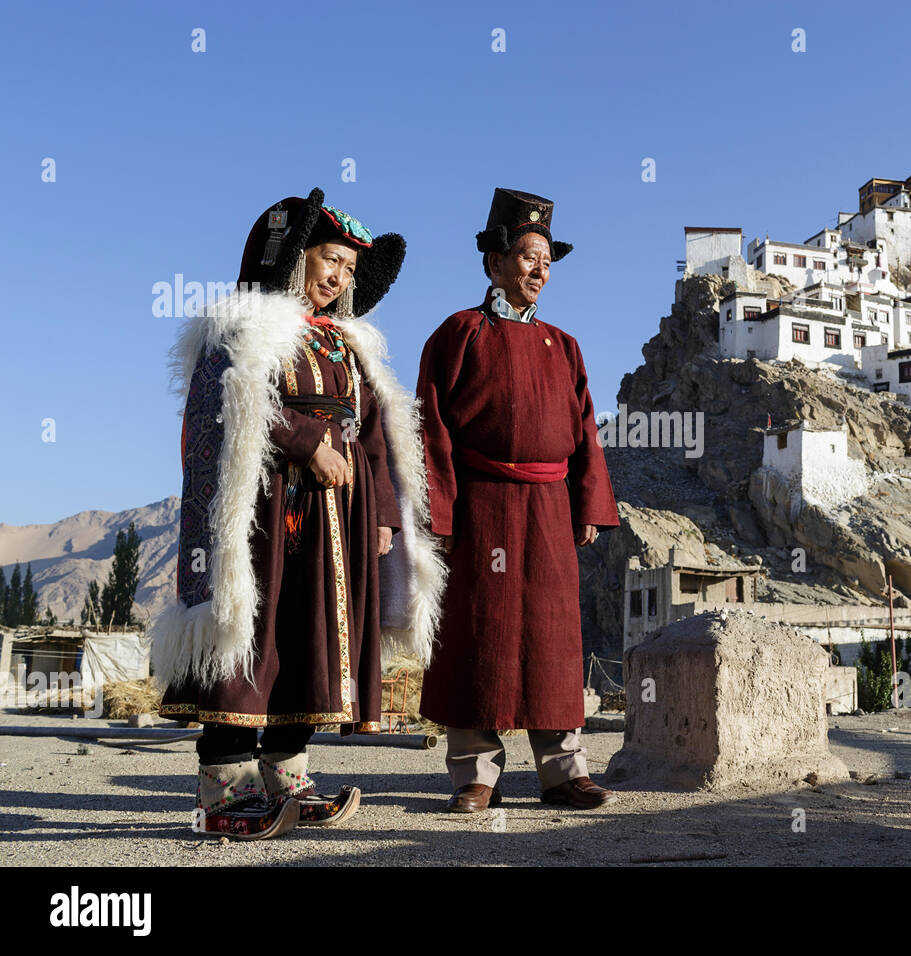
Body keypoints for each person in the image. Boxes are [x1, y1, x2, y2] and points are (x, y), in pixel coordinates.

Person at [150, 188, 446, 839]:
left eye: (348, 267)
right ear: (292, 257)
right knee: (251, 636)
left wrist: (386, 515)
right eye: (329, 259)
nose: (339, 276)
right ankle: (223, 792)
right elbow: (227, 403)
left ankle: (288, 776)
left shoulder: (347, 344)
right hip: (264, 515)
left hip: (337, 519)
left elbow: (376, 434)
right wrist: (307, 444)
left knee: (312, 639)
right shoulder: (242, 327)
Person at [416, 187, 620, 812]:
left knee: (553, 640)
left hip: (548, 508)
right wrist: (440, 514)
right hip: (480, 506)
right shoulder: (459, 333)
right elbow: (430, 429)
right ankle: (475, 774)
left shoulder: (566, 345)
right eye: (528, 256)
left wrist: (587, 506)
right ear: (495, 262)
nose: (539, 270)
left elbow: (585, 429)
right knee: (478, 637)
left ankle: (563, 772)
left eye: (547, 261)